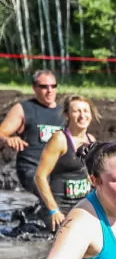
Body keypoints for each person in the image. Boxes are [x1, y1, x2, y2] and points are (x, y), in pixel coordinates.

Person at [33, 95, 98, 231]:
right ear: (67, 115)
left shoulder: (91, 140)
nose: (82, 116)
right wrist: (54, 210)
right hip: (59, 209)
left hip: (82, 207)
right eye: (77, 111)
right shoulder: (59, 139)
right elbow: (40, 176)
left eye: (86, 111)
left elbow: (90, 176)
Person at [0, 70, 63, 208]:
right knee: (50, 191)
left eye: (53, 86)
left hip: (57, 169)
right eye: (44, 87)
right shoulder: (24, 109)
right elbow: (1, 133)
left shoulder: (64, 112)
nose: (50, 90)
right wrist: (8, 139)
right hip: (31, 168)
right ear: (34, 87)